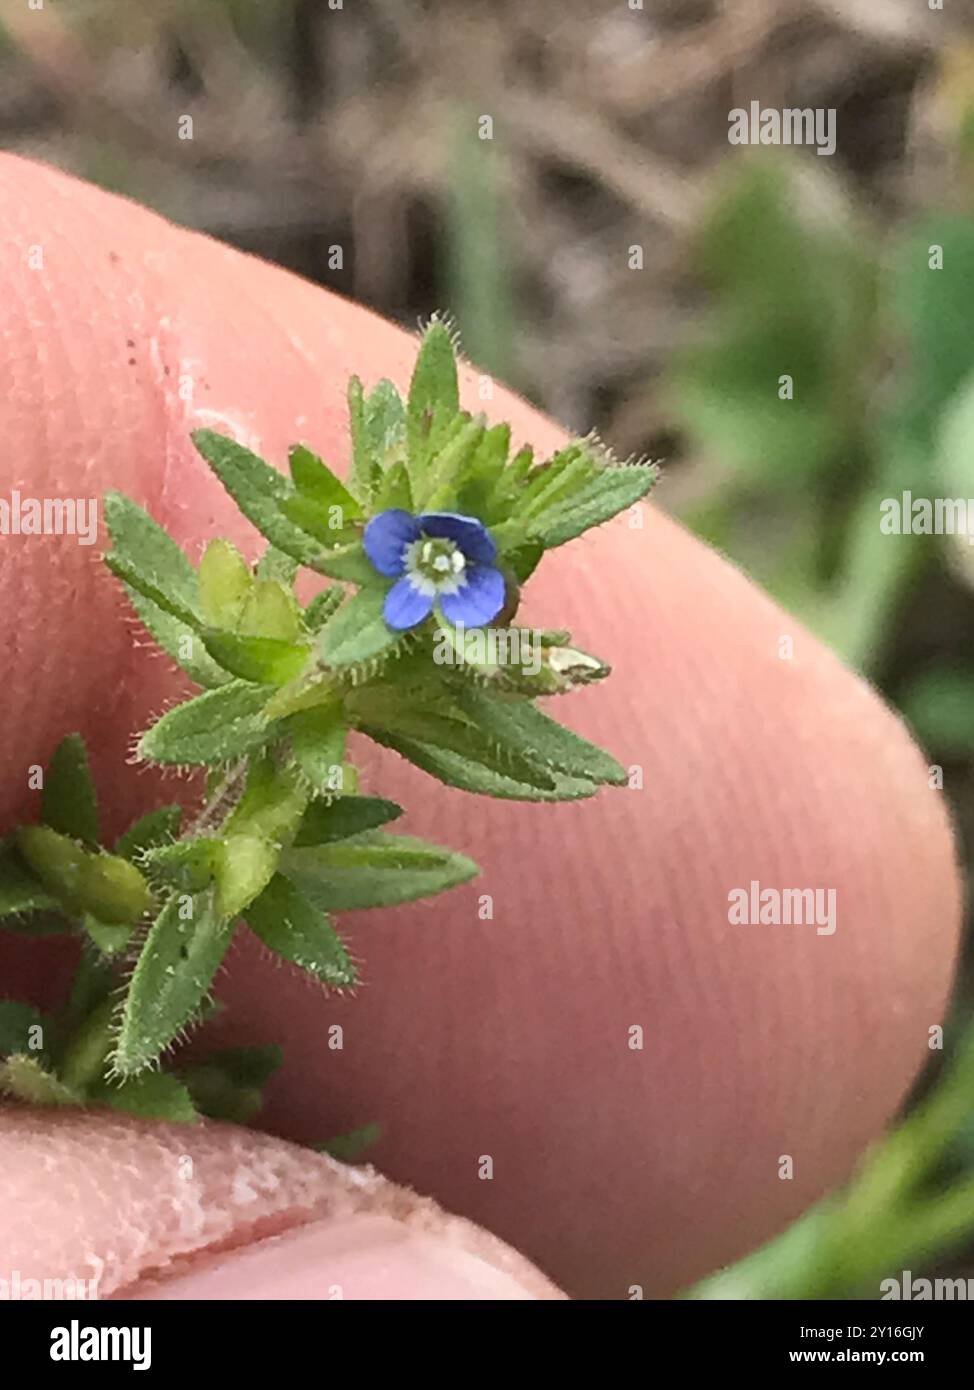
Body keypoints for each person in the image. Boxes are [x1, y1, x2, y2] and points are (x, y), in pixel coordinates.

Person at [0, 156, 961, 1300]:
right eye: (426, 551)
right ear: (400, 541)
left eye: (455, 559)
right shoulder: (365, 610)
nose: (440, 562)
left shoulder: (414, 622)